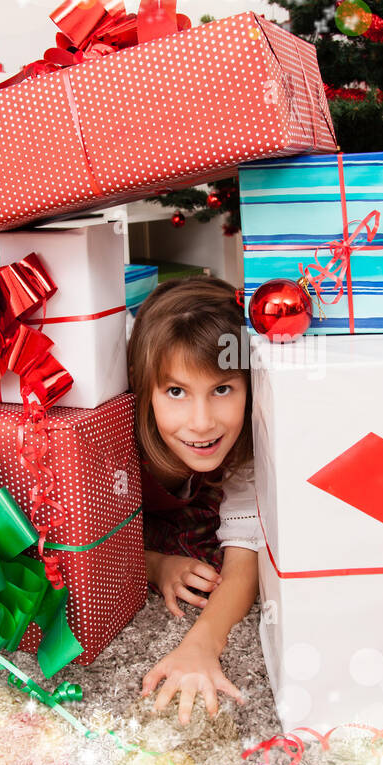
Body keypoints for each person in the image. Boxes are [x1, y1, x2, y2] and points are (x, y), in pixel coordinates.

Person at [127, 276, 261, 725]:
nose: (201, 422)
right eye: (176, 392)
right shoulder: (113, 436)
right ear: (146, 392)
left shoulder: (251, 448)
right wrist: (154, 564)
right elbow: (79, 545)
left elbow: (244, 563)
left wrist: (202, 643)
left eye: (222, 390)